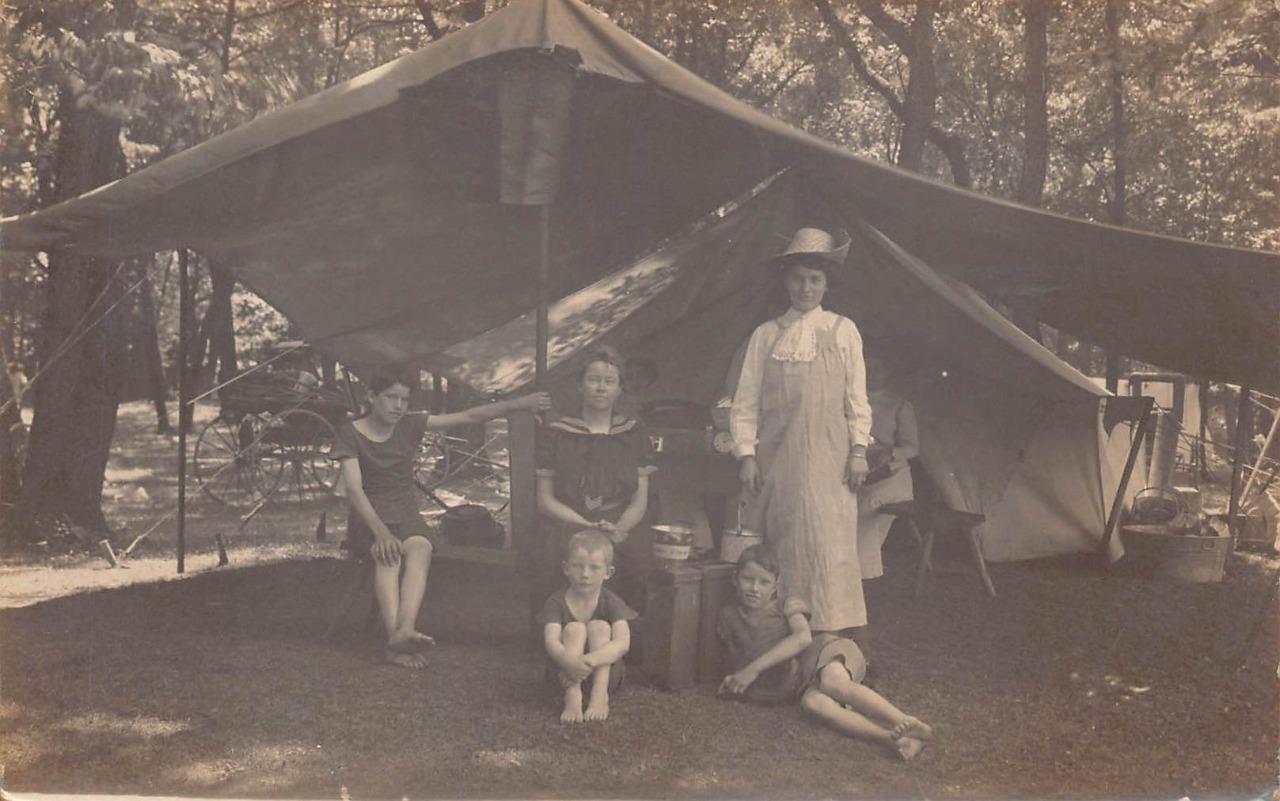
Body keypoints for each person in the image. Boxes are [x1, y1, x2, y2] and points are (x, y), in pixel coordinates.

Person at [331, 366, 550, 668]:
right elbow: (354, 490)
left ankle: (404, 630)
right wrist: (380, 532)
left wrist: (519, 403)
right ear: (372, 397)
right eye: (391, 398)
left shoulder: (410, 424)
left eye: (404, 400)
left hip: (404, 510)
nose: (398, 406)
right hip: (369, 517)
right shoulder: (351, 433)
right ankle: (395, 643)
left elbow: (470, 417)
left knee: (420, 548)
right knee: (389, 555)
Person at [730, 227, 872, 633]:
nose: (805, 288)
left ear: (827, 284)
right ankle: (780, 631)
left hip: (831, 459)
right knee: (783, 540)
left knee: (827, 543)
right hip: (778, 457)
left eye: (814, 279)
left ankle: (831, 631)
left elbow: (856, 398)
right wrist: (746, 454)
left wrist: (859, 449)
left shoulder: (844, 330)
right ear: (785, 282)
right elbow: (745, 401)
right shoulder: (766, 335)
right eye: (798, 278)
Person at [718, 545, 933, 761]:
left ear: (776, 585)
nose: (755, 588)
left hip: (825, 651)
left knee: (832, 683)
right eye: (748, 579)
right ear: (735, 579)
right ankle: (896, 740)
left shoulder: (786, 603)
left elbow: (803, 637)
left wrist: (752, 670)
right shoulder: (728, 616)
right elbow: (735, 658)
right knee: (814, 705)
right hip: (802, 683)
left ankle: (908, 723)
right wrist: (734, 680)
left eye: (764, 582)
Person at [536, 349, 657, 610]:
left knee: (638, 565)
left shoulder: (633, 433)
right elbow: (544, 500)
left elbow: (640, 499)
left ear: (619, 389)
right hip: (568, 521)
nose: (601, 388)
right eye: (593, 379)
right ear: (580, 385)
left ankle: (621, 641)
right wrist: (584, 524)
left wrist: (618, 531)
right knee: (556, 559)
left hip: (619, 523)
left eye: (609, 381)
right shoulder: (557, 434)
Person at [538, 530, 636, 723]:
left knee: (600, 627)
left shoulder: (611, 601)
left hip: (604, 675)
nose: (585, 574)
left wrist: (587, 661)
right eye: (578, 566)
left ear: (608, 573)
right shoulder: (556, 602)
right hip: (564, 674)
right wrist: (570, 663)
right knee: (574, 629)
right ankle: (572, 695)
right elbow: (551, 642)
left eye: (594, 568)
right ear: (565, 568)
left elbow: (623, 643)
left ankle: (599, 696)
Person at [857, 356, 919, 579]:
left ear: (887, 373)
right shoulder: (853, 401)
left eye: (878, 369)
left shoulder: (899, 404)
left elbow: (913, 447)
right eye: (868, 368)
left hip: (892, 476)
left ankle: (861, 571)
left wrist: (891, 453)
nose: (873, 374)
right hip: (861, 473)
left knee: (867, 505)